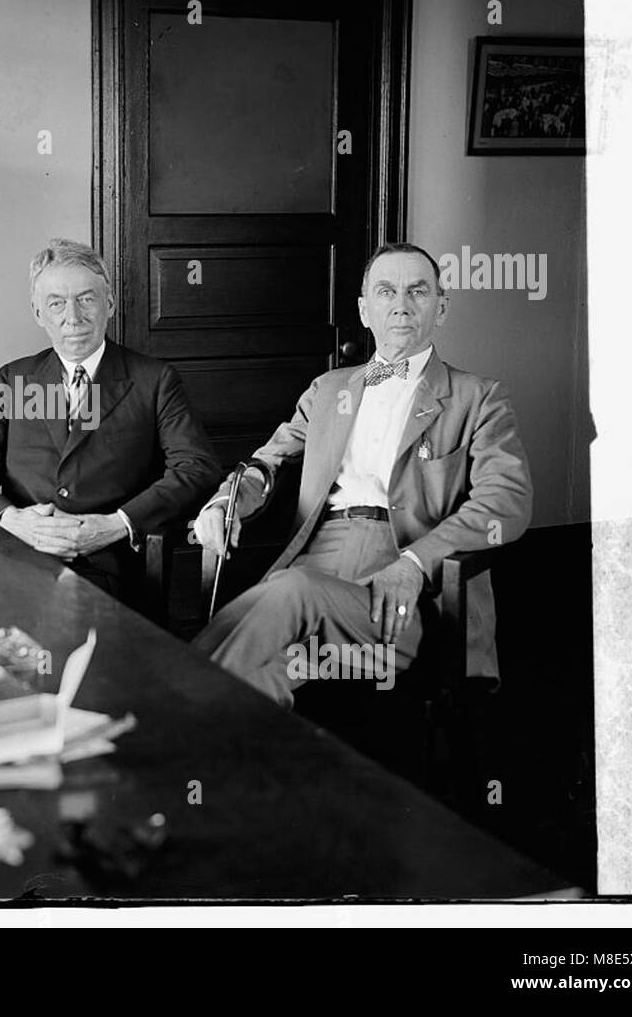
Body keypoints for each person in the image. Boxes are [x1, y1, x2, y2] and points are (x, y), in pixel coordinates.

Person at [192, 243, 532, 707]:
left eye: (418, 291)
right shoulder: (328, 389)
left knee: (287, 594)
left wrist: (415, 564)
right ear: (363, 309)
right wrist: (223, 505)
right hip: (316, 556)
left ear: (441, 306)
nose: (401, 305)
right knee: (260, 671)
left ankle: (157, 721)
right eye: (386, 291)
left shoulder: (478, 398)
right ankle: (270, 774)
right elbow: (265, 466)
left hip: (411, 587)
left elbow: (505, 502)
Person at [0, 239, 220, 605]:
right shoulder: (15, 380)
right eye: (56, 303)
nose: (73, 316)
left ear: (110, 305)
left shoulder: (155, 381)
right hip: (17, 552)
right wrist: (11, 519)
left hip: (104, 561)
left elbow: (197, 466)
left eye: (86, 299)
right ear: (39, 314)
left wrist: (117, 524)